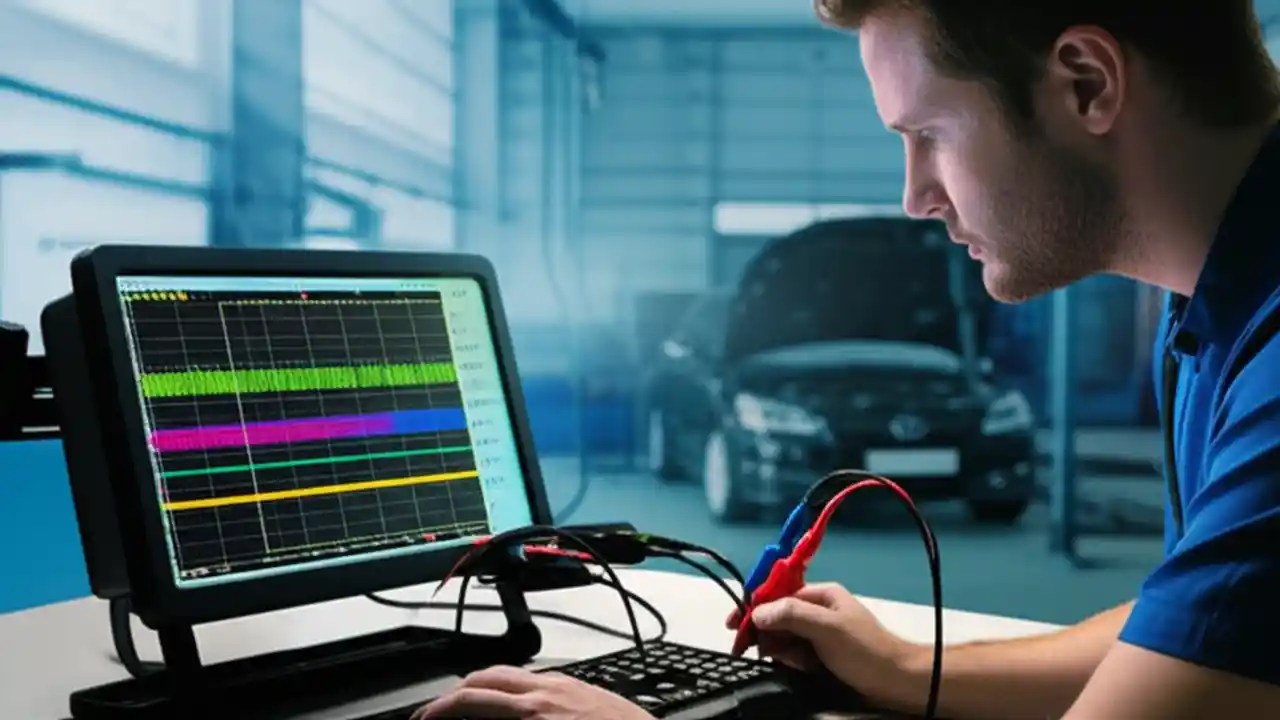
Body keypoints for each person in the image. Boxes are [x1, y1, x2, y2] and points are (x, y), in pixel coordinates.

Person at [416, 0, 1280, 717]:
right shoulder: (1214, 307)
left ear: (1085, 84)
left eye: (930, 132)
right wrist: (906, 672)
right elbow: (1204, 632)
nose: (914, 196)